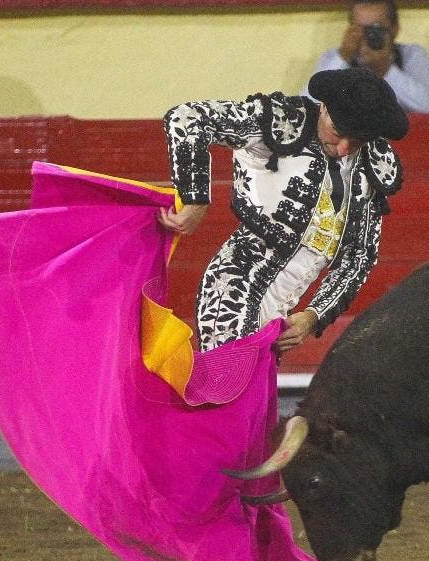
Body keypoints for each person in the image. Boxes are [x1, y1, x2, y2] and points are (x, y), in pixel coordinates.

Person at [161, 68, 407, 358]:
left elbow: (359, 258)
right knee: (228, 391)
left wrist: (314, 316)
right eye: (338, 134)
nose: (343, 150)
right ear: (324, 108)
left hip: (282, 312)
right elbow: (188, 118)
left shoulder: (372, 163)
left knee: (253, 398)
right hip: (234, 289)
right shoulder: (281, 120)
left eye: (356, 143)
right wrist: (195, 198)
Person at [308, 0, 429, 113]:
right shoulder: (335, 57)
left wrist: (385, 70)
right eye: (359, 29)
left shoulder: (410, 55)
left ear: (394, 29)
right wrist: (343, 58)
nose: (367, 36)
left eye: (375, 29)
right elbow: (306, 107)